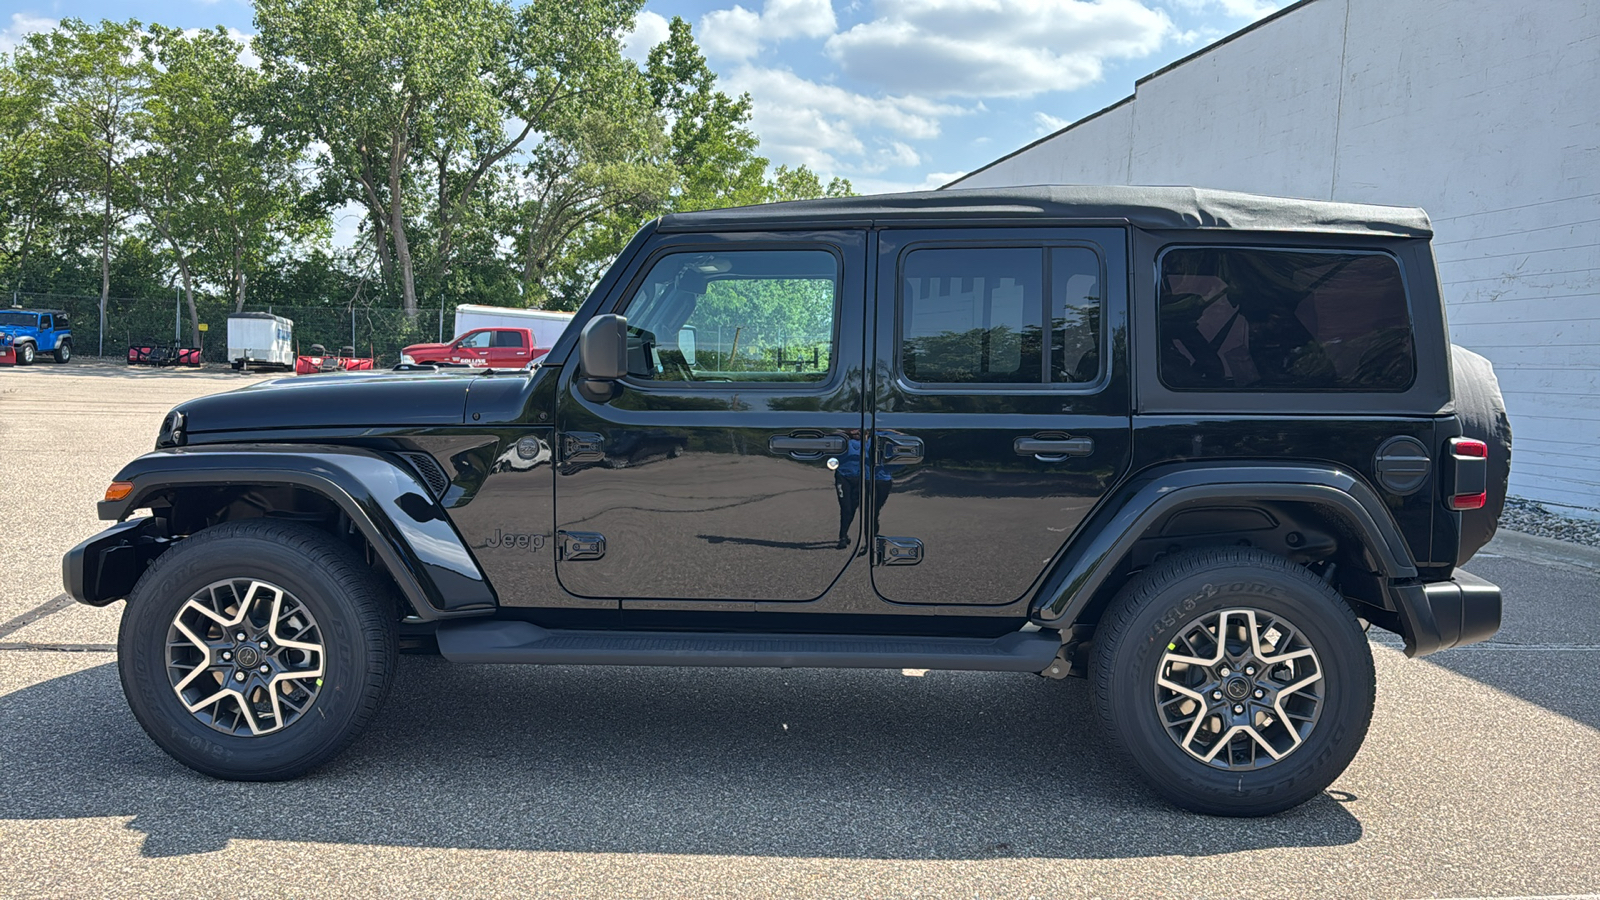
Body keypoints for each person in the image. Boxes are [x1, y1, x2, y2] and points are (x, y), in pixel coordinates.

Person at [834, 430, 894, 549]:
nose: (857, 432)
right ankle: (843, 537)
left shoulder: (874, 438)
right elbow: (831, 434)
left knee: (870, 512)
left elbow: (900, 437)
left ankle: (870, 541)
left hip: (865, 479)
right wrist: (848, 432)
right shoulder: (844, 439)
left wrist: (876, 430)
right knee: (847, 508)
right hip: (844, 476)